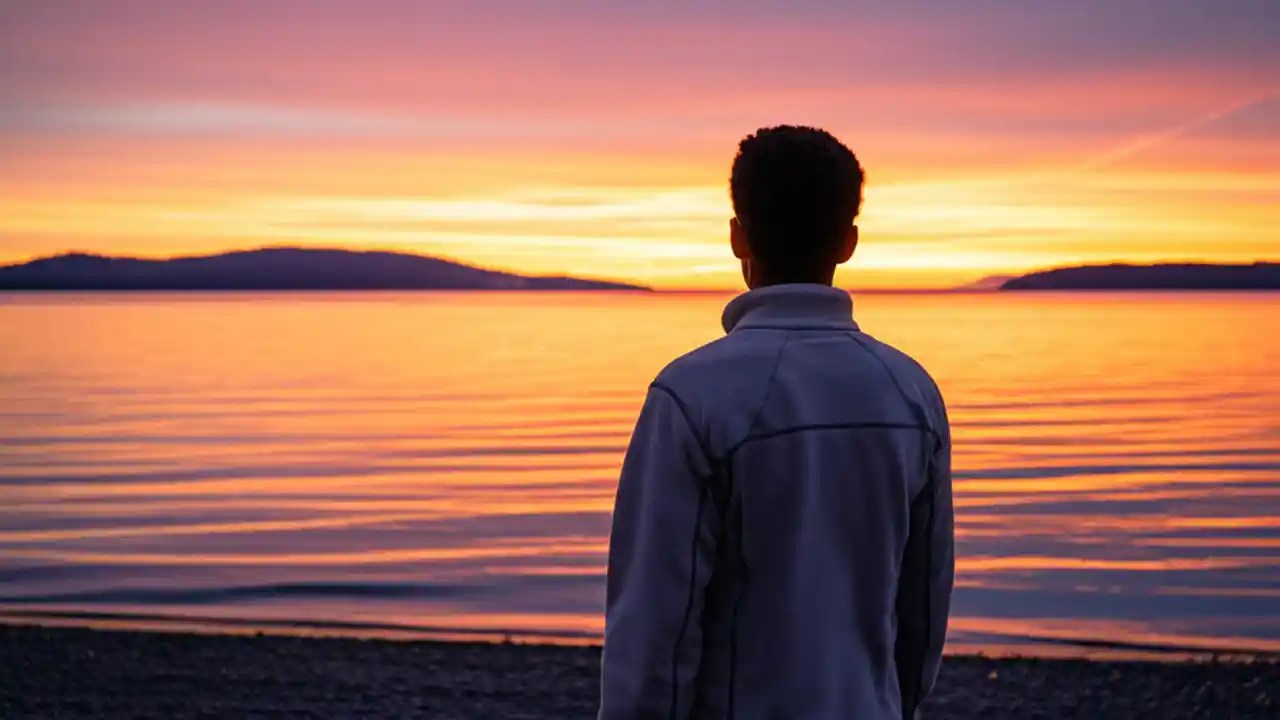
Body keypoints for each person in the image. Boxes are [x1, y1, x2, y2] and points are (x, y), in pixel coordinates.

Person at [599, 125, 954, 719]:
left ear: (738, 236)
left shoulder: (692, 394)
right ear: (848, 242)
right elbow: (921, 611)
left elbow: (656, 627)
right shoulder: (910, 394)